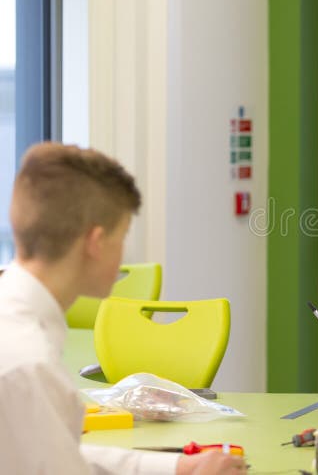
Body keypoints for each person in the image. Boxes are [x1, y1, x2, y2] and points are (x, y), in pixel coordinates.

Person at [0, 143, 245, 474]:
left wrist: (178, 467)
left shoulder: (16, 322)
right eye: (122, 236)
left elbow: (57, 454)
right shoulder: (29, 365)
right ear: (96, 243)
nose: (123, 254)